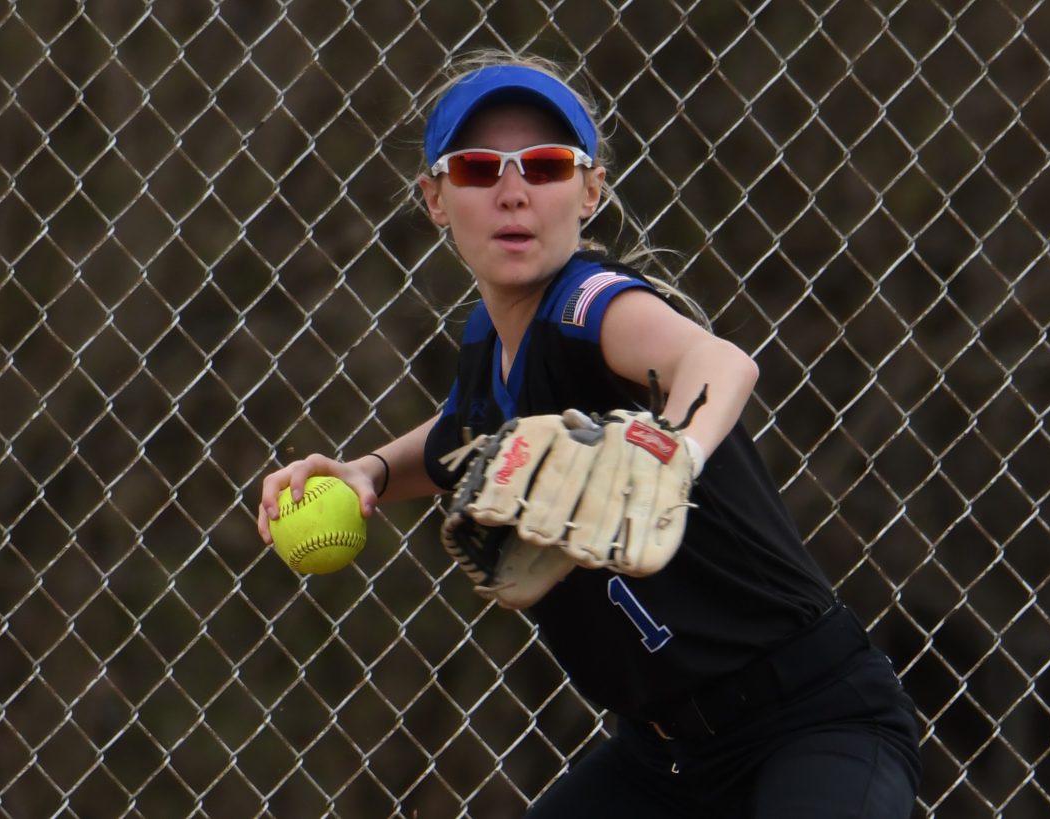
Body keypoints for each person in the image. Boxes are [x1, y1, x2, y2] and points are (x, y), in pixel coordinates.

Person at [256, 51, 921, 817]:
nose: (513, 193)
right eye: (478, 169)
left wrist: (677, 455)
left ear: (591, 190)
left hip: (812, 723)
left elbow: (720, 362)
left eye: (545, 166)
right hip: (665, 758)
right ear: (435, 198)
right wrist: (369, 470)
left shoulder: (591, 309)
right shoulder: (489, 344)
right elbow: (455, 437)